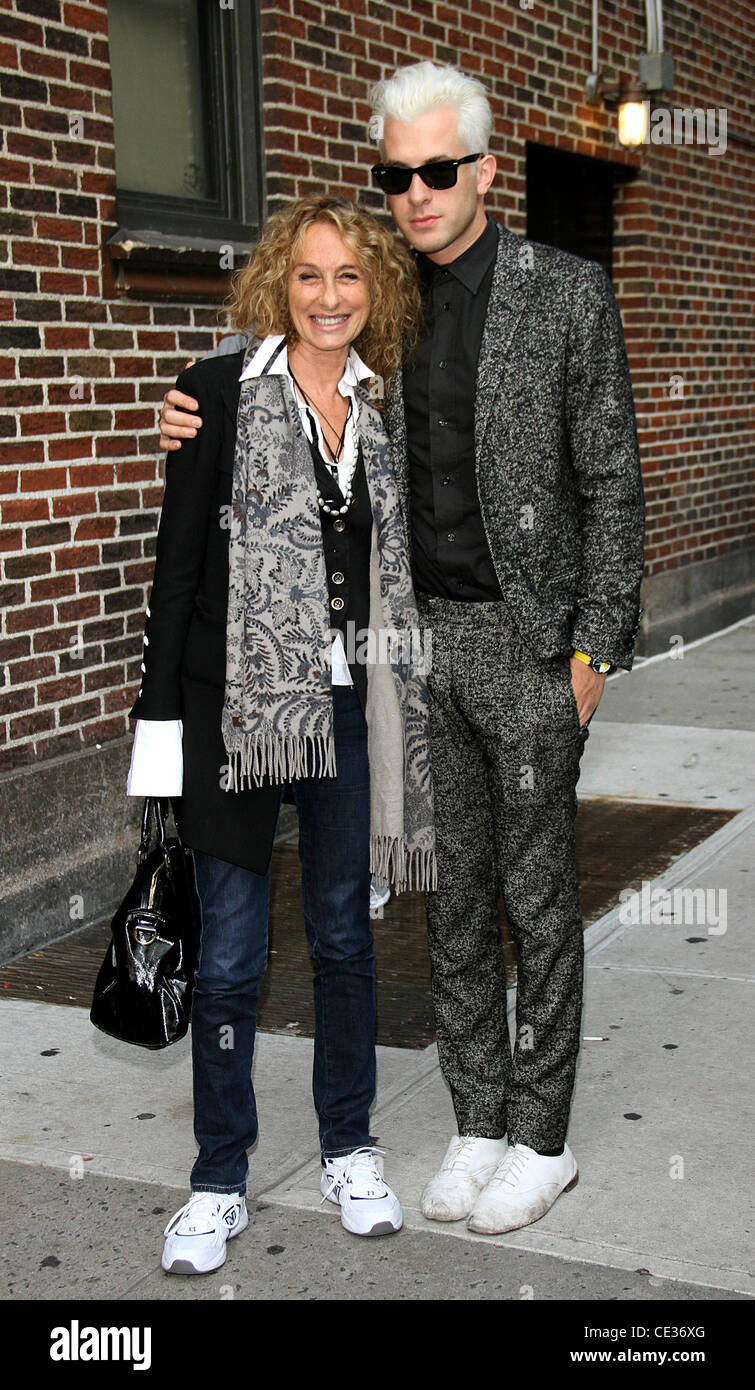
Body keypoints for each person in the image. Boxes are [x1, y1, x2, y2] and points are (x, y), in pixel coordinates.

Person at [159, 62, 645, 1237]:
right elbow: (282, 367)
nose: (417, 193)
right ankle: (475, 1114)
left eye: (438, 170)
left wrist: (592, 658)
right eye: (397, 174)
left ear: (481, 168)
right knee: (451, 899)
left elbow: (614, 486)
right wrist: (187, 405)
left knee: (536, 899)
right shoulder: (389, 306)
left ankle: (539, 1137)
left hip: (529, 653)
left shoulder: (565, 293)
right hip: (409, 653)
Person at [130, 194, 435, 1274]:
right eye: (308, 275)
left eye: (348, 276)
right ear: (278, 283)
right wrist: (156, 720)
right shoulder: (215, 393)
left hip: (353, 711)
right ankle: (219, 1177)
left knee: (346, 941)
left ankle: (349, 1144)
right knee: (228, 957)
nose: (327, 296)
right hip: (237, 717)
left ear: (375, 290)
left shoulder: (382, 406)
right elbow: (175, 571)